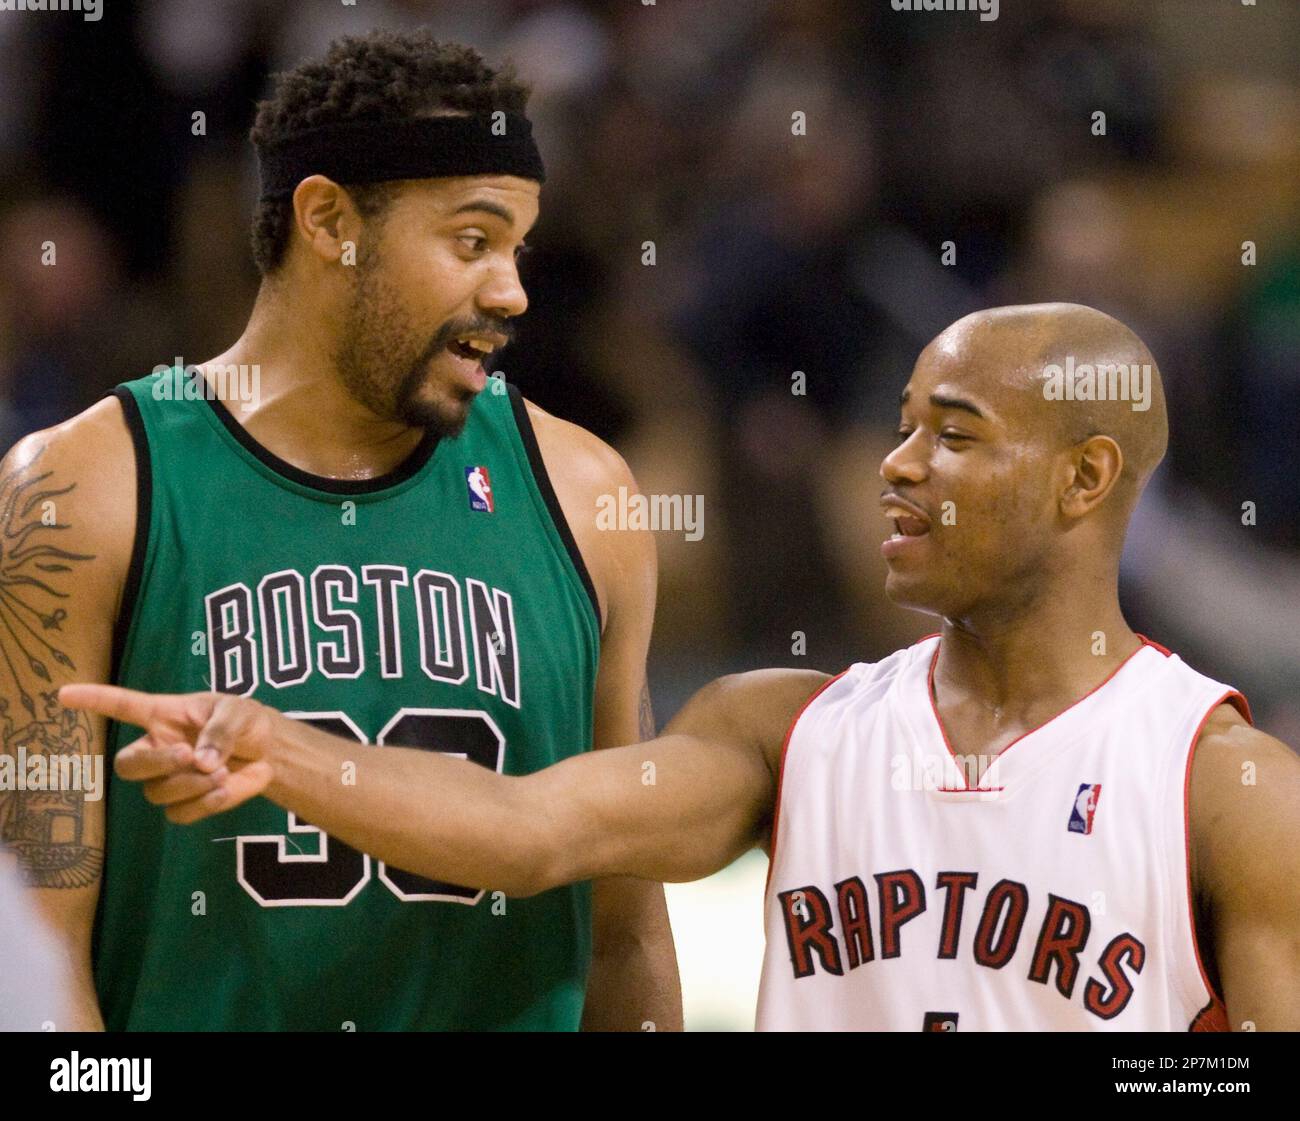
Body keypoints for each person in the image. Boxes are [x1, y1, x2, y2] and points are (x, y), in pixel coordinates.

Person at [63, 303, 1300, 1031]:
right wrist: (278, 745)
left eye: (954, 434)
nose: (897, 464)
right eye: (904, 420)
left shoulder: (1223, 783)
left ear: (1085, 478)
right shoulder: (785, 730)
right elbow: (524, 828)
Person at [5, 29, 680, 1031]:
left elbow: (625, 929)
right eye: (471, 240)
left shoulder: (586, 495)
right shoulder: (79, 492)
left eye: (518, 247)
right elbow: (36, 949)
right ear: (327, 219)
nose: (511, 290)